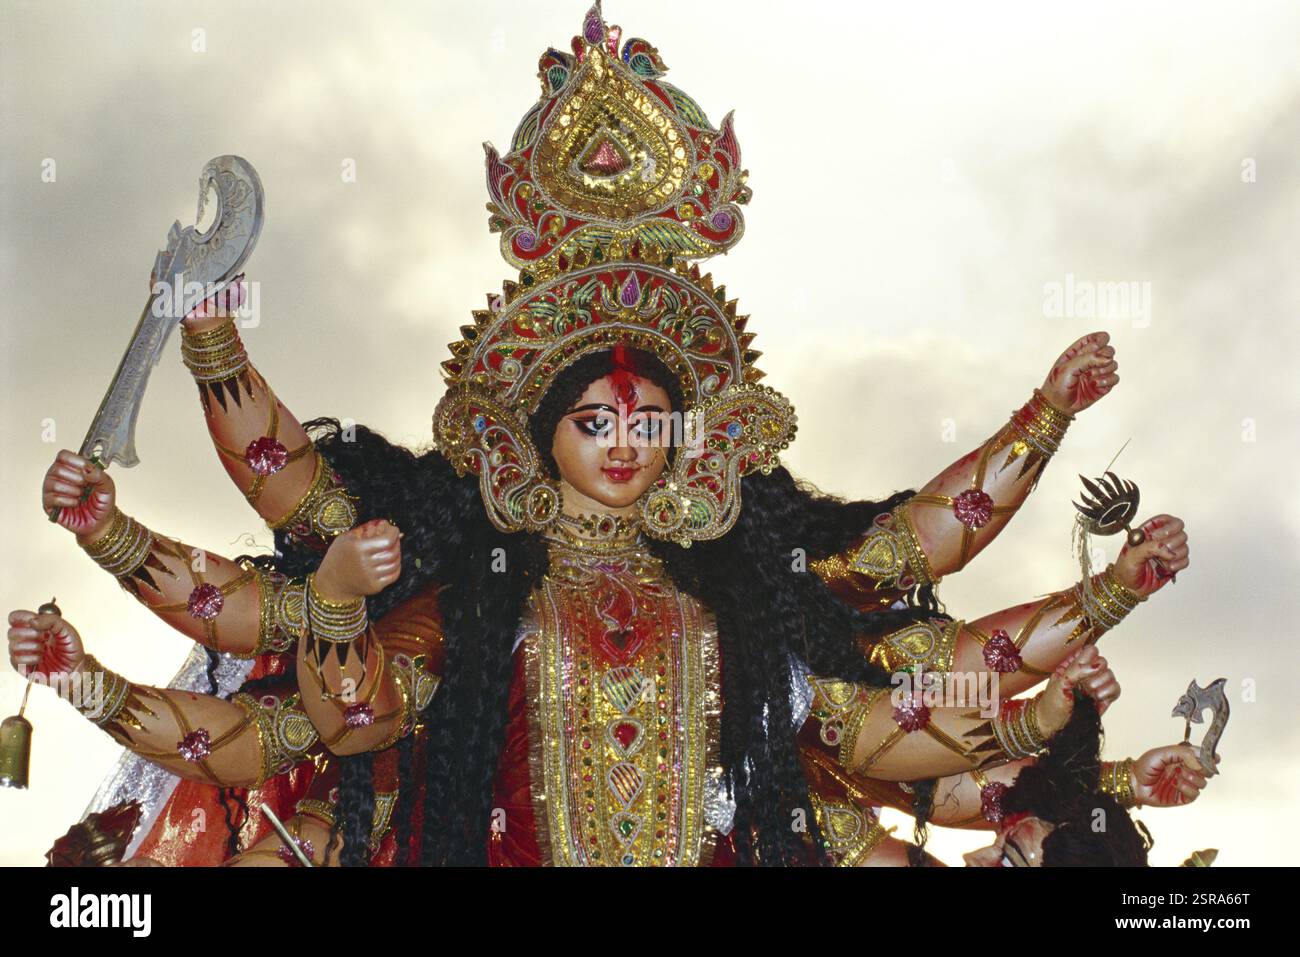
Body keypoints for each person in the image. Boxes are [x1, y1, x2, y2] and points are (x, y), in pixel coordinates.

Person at [10, 1, 1192, 867]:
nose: (624, 441)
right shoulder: (476, 598)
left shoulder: (741, 604)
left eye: (648, 419)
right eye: (592, 418)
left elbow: (890, 694)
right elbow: (329, 714)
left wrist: (1051, 442)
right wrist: (289, 566)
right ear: (534, 435)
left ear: (694, 436)